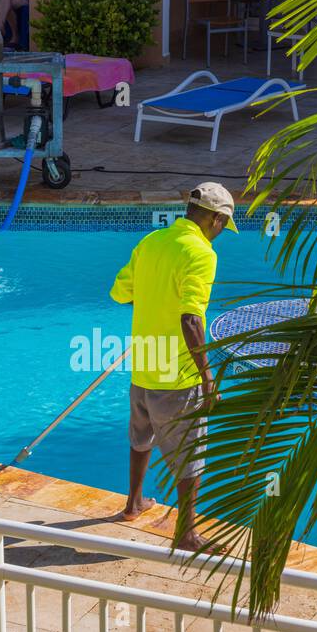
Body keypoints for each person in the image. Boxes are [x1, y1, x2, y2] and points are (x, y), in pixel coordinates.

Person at [109, 182, 238, 553]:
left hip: (144, 362)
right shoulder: (201, 253)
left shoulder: (151, 242)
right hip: (177, 373)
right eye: (222, 225)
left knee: (141, 436)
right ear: (215, 218)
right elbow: (191, 319)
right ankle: (186, 533)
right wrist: (207, 376)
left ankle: (134, 503)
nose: (220, 234)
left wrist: (152, 296)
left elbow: (120, 292)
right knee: (191, 455)